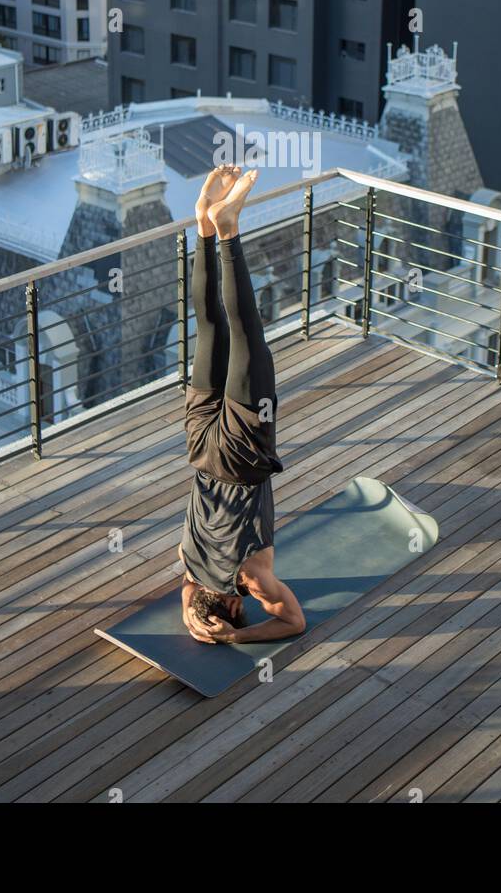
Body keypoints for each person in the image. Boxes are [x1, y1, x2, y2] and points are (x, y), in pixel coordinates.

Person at [178, 165, 306, 645]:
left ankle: (228, 229)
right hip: (199, 445)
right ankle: (204, 226)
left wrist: (233, 638)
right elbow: (188, 593)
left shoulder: (251, 578)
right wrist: (192, 617)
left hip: (239, 454)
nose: (250, 601)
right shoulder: (188, 564)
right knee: (209, 327)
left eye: (242, 609)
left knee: (247, 331)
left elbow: (293, 622)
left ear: (233, 604)